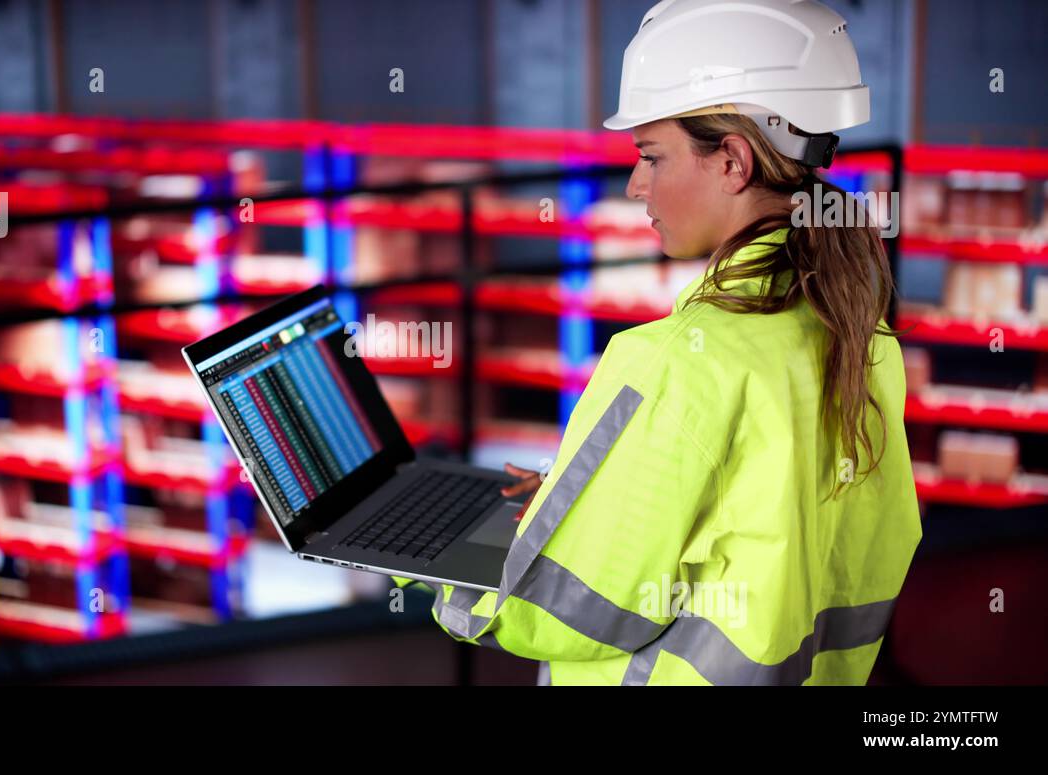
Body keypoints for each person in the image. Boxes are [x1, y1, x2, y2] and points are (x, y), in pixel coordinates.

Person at [392, 0, 922, 685]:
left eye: (651, 156)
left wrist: (422, 551)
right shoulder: (861, 330)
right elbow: (769, 528)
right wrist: (584, 498)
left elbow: (552, 608)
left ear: (732, 161)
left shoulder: (673, 361)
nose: (636, 184)